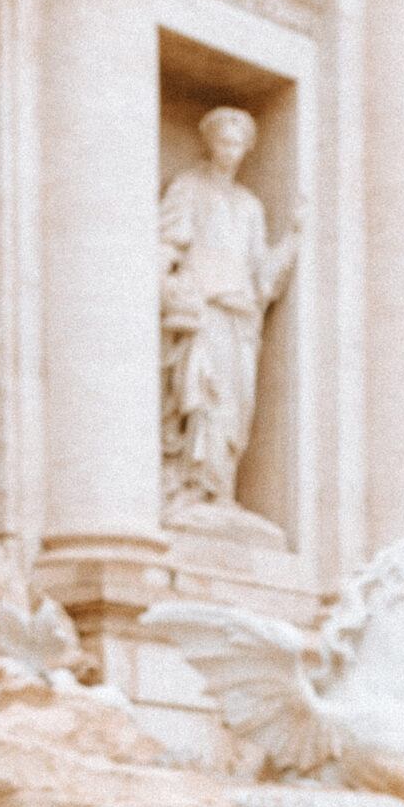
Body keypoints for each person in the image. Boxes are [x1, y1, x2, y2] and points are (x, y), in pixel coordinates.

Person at [159, 105, 299, 515]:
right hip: (206, 310)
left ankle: (219, 489)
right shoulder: (188, 187)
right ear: (210, 142)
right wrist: (167, 285)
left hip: (241, 317)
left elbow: (263, 275)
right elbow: (166, 244)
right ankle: (192, 484)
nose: (231, 150)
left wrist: (294, 235)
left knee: (236, 408)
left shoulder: (250, 206)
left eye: (238, 144)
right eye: (224, 141)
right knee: (204, 396)